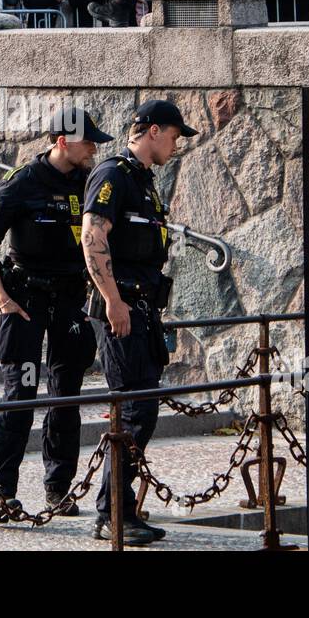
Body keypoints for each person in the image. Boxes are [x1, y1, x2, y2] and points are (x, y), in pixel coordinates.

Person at [0, 106, 112, 522]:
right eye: (89, 141)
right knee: (21, 395)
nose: (94, 149)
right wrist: (1, 297)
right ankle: (1, 493)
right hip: (26, 303)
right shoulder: (22, 182)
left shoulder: (88, 183)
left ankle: (58, 489)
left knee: (65, 398)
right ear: (63, 141)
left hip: (69, 303)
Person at [81, 98, 194, 546]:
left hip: (143, 311)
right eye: (173, 135)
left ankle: (117, 508)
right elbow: (92, 237)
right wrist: (112, 299)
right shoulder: (113, 175)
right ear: (152, 131)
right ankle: (112, 513)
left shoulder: (144, 183)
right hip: (121, 311)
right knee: (133, 409)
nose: (175, 144)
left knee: (141, 412)